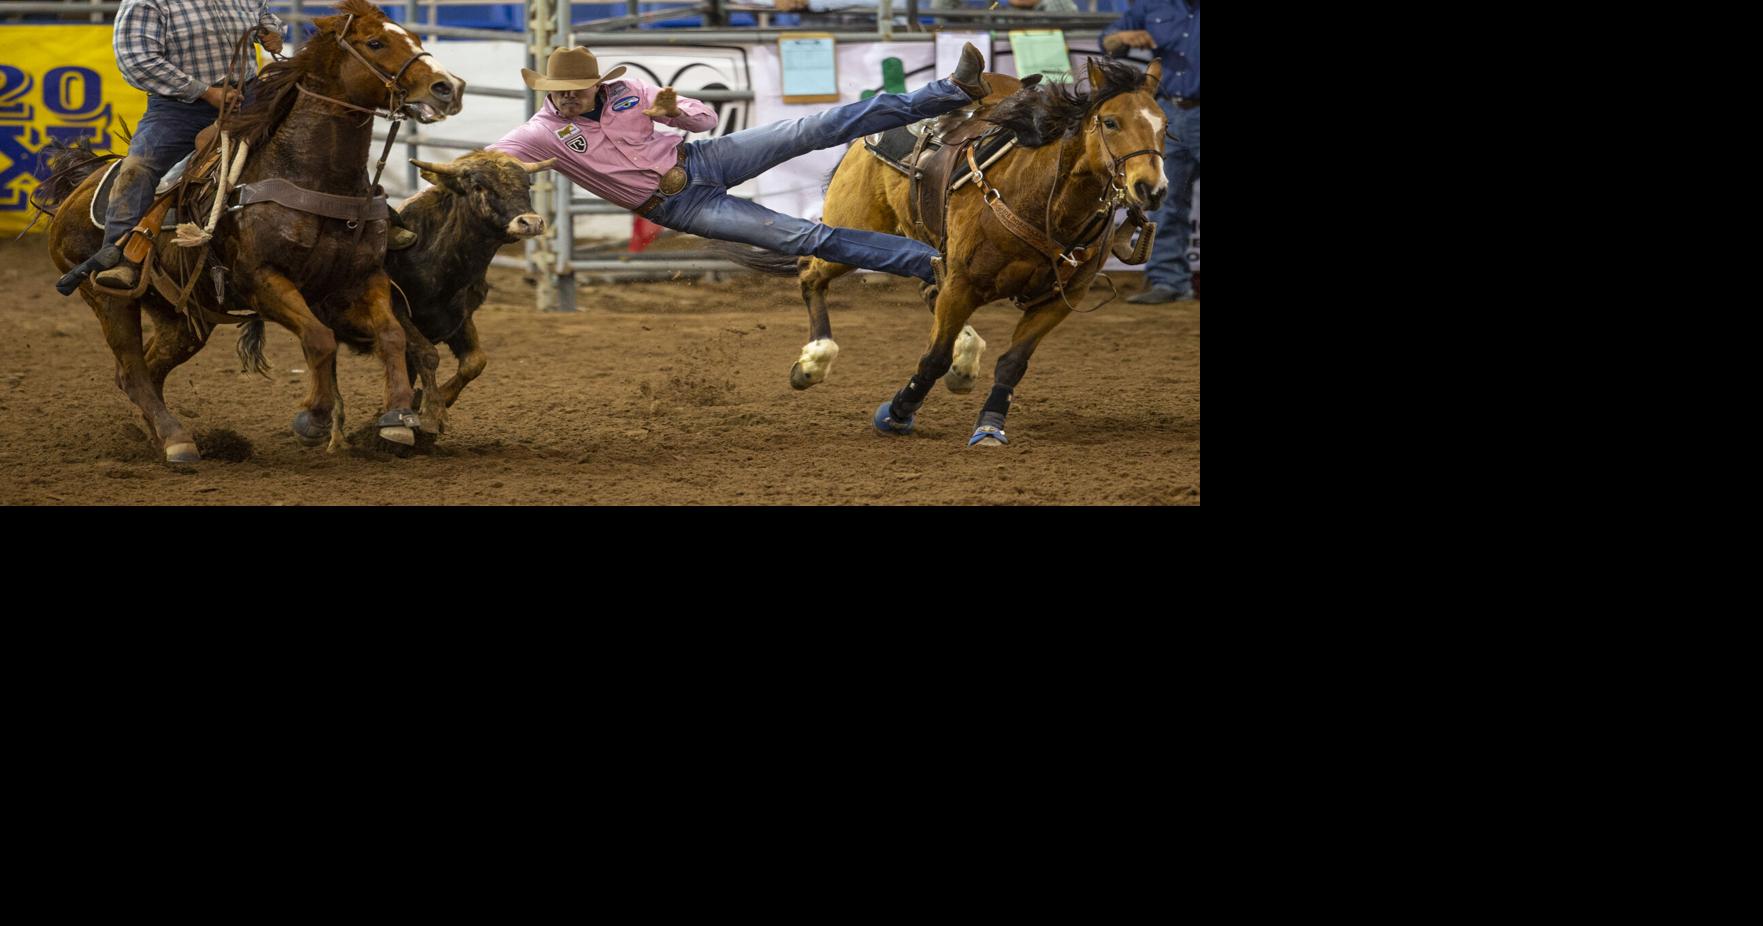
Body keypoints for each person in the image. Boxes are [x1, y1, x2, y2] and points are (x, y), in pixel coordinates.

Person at [486, 44, 991, 288]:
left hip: (702, 157)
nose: (567, 98)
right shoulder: (539, 133)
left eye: (575, 89)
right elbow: (488, 160)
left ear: (598, 84)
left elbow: (703, 118)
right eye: (558, 92)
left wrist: (672, 111)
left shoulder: (632, 92)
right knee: (803, 237)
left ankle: (948, 91)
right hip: (681, 205)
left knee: (813, 127)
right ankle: (930, 263)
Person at [86, 0, 285, 292]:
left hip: (248, 98)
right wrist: (204, 91)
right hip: (179, 109)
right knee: (138, 166)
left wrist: (272, 32)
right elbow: (137, 62)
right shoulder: (146, 3)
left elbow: (264, 16)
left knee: (302, 142)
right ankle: (123, 256)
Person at [1102, 0, 1199, 304]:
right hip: (1166, 113)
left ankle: (1171, 279)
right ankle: (1169, 281)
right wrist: (1123, 39)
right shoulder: (1151, 5)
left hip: (1171, 113)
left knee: (1168, 200)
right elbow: (1108, 40)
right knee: (1164, 199)